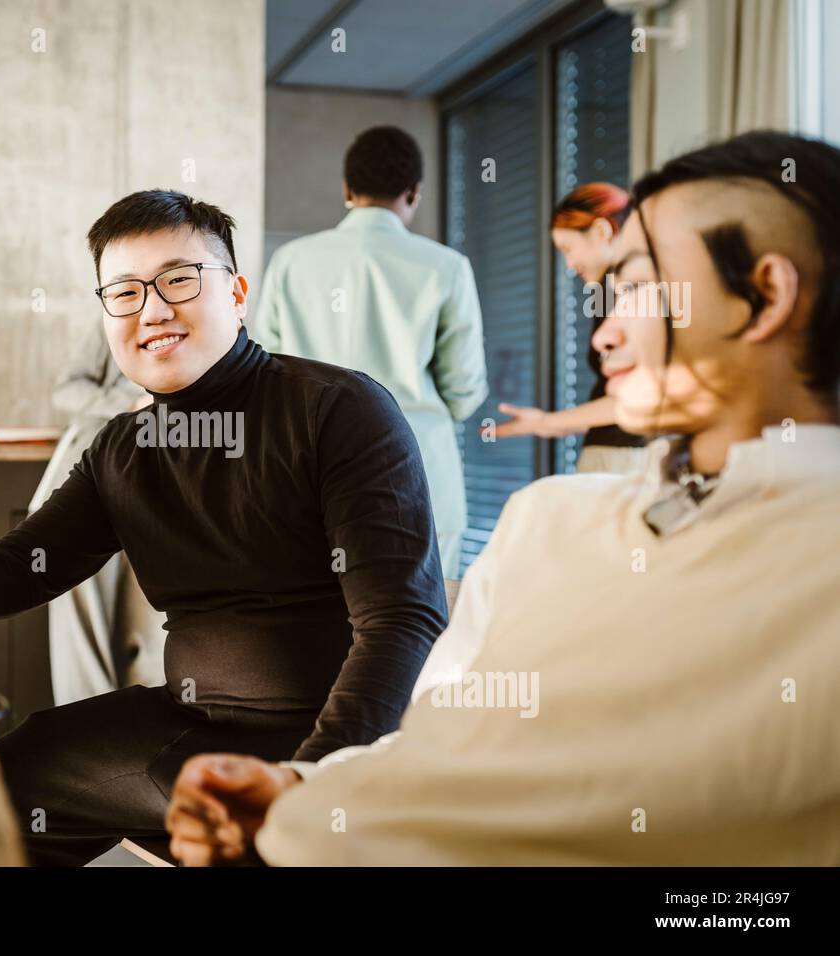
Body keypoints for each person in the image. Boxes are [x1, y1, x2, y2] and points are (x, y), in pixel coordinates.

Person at [165, 131, 840, 866]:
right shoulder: (548, 517)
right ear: (413, 194)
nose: (604, 336)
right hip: (420, 461)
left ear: (765, 295)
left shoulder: (816, 568)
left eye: (640, 289)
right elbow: (435, 731)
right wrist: (299, 786)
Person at [0, 190, 449, 865]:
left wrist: (304, 783)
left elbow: (401, 621)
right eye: (126, 292)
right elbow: (18, 568)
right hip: (190, 722)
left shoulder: (338, 410)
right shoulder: (123, 448)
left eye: (178, 280)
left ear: (238, 293)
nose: (154, 310)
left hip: (331, 739)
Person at [254, 125, 488, 578]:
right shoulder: (447, 267)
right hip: (419, 463)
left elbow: (269, 371)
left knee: (316, 616)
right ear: (414, 192)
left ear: (347, 189)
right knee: (424, 622)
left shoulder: (291, 261)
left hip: (312, 464)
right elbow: (464, 389)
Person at [31, 323, 166, 705]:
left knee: (151, 626)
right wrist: (128, 405)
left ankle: (139, 728)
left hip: (157, 493)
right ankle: (85, 717)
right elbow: (68, 389)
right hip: (92, 489)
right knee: (82, 616)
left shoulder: (208, 328)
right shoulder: (115, 320)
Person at [492, 182, 648, 473]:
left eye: (568, 248)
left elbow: (630, 396)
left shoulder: (618, 290)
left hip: (620, 459)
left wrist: (547, 423)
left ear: (602, 231)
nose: (569, 264)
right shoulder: (610, 291)